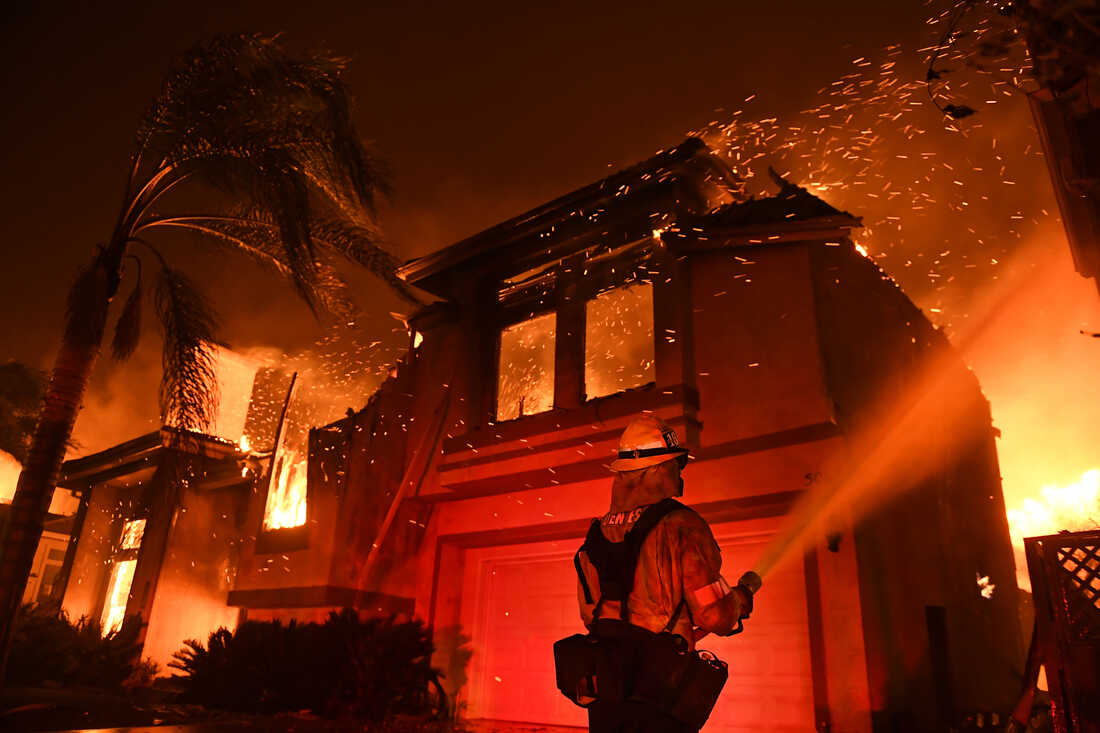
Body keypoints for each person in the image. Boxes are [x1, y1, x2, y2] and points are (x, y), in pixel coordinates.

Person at [572, 414, 758, 733]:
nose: (679, 471)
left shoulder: (597, 534)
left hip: (608, 695)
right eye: (676, 463)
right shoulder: (680, 526)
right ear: (658, 468)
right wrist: (740, 598)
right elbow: (714, 615)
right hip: (661, 698)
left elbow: (593, 616)